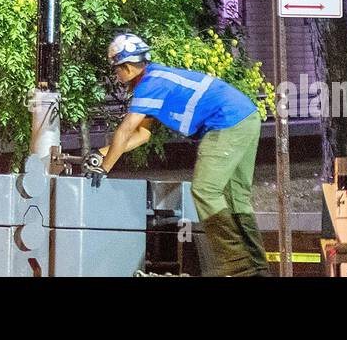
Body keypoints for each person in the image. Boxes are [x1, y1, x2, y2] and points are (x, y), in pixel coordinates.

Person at [87, 32, 270, 277]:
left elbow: (127, 129)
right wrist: (101, 153)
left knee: (205, 190)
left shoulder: (148, 85)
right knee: (237, 198)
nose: (115, 75)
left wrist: (104, 168)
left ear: (128, 66)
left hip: (225, 122)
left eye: (116, 69)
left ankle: (236, 265)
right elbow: (142, 134)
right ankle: (258, 269)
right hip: (246, 117)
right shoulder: (157, 78)